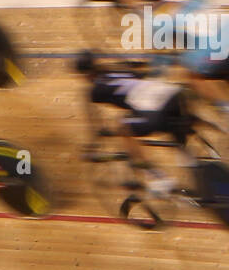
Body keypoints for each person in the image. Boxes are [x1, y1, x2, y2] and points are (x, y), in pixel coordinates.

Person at [75, 50, 194, 196]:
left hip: (153, 110)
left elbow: (96, 123)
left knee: (124, 129)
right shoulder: (117, 68)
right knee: (173, 123)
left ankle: (157, 177)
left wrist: (92, 147)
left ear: (83, 75)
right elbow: (142, 71)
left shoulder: (95, 90)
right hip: (172, 94)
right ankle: (189, 159)